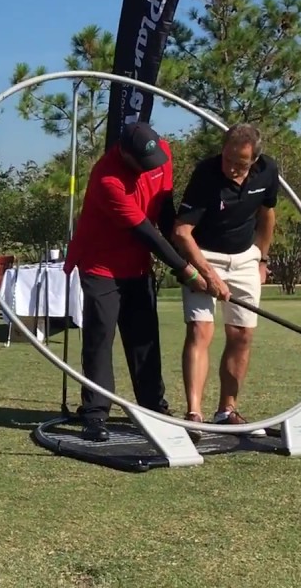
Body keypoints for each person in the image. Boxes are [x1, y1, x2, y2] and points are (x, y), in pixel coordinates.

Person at [64, 122, 209, 442]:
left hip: (138, 267)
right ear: (124, 154)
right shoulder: (107, 179)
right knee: (99, 340)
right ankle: (94, 414)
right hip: (102, 266)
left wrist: (190, 256)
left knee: (144, 339)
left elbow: (166, 210)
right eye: (141, 165)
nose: (149, 169)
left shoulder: (163, 154)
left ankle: (154, 409)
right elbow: (146, 233)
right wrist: (185, 270)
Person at [171, 123, 280, 434]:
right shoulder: (206, 174)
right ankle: (194, 415)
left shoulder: (268, 171)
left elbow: (267, 213)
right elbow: (181, 232)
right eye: (228, 158)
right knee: (200, 330)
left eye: (240, 163)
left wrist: (262, 258)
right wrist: (206, 274)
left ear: (254, 160)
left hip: (245, 257)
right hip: (203, 255)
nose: (231, 167)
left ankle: (226, 410)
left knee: (242, 335)